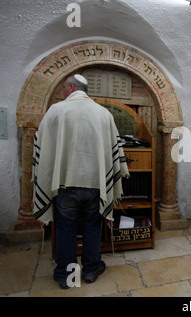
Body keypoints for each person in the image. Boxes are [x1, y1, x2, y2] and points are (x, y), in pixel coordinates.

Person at [32, 74, 129, 289]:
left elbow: (41, 142)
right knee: (92, 226)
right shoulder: (103, 114)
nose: (62, 92)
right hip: (96, 184)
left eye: (64, 88)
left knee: (66, 228)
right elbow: (114, 147)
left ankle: (66, 277)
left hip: (65, 183)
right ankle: (91, 270)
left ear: (71, 87)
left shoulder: (56, 111)